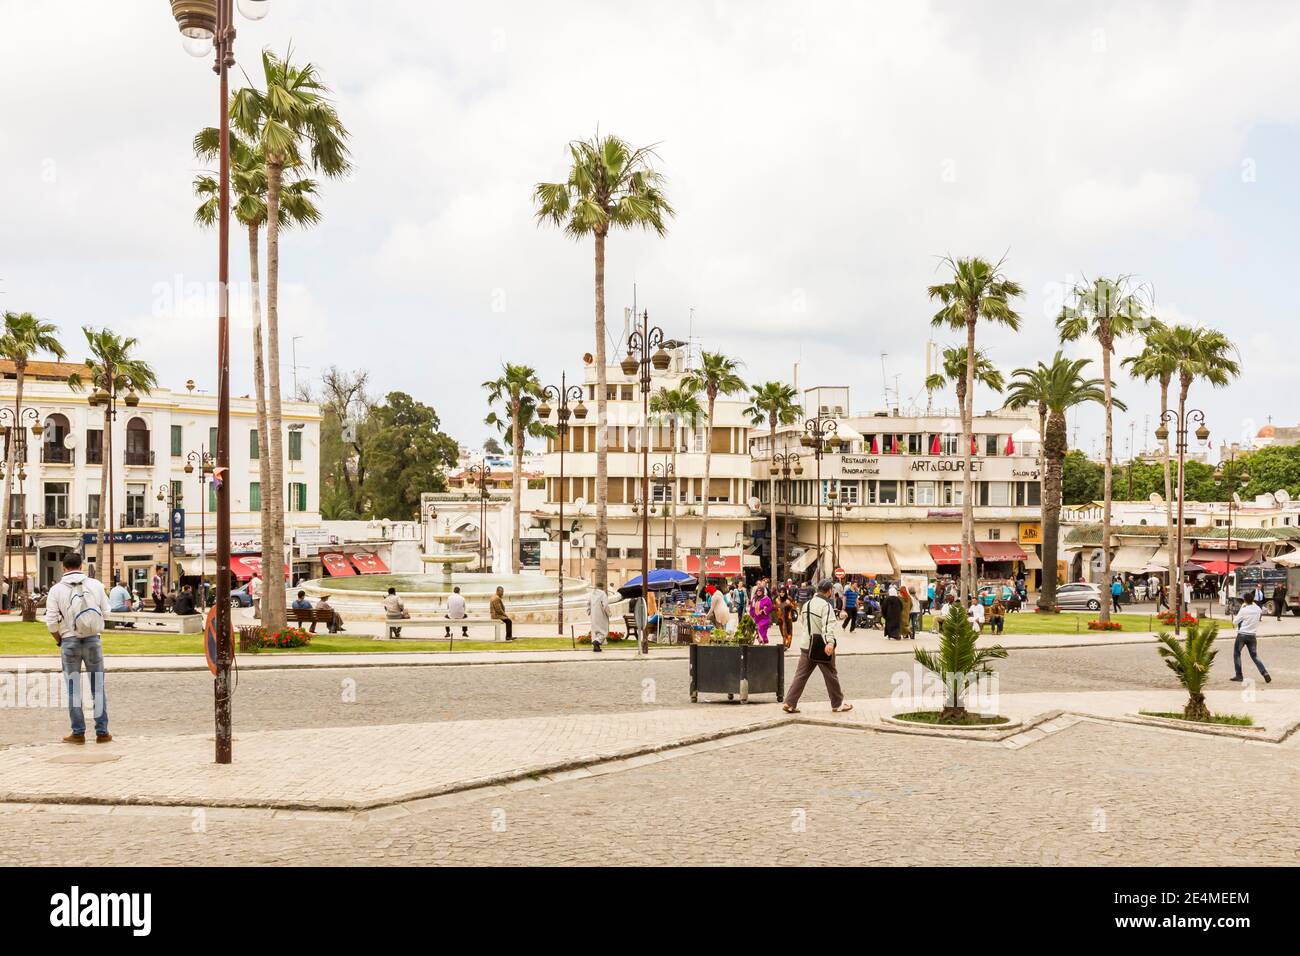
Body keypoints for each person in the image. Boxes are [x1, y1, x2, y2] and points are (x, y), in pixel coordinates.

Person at [45, 552, 111, 744]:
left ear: (63, 568)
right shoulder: (96, 585)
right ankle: (102, 732)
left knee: (73, 689)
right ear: (82, 566)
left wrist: (59, 639)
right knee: (97, 687)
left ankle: (78, 732)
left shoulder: (56, 590)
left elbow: (50, 623)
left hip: (69, 641)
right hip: (93, 640)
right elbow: (107, 614)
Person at [782, 580, 852, 714]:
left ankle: (790, 703)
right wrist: (830, 642)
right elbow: (828, 626)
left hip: (806, 644)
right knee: (831, 675)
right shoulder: (826, 606)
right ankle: (837, 704)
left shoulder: (807, 604)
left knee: (800, 675)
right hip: (821, 646)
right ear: (829, 591)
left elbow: (803, 623)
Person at [1229, 594, 1271, 684]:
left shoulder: (1244, 610)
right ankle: (1264, 672)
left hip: (1242, 634)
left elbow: (1235, 622)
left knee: (1237, 654)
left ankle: (1239, 675)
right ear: (1253, 600)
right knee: (1254, 656)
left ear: (1244, 600)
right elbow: (1262, 609)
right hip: (1252, 635)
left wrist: (1242, 607)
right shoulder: (1257, 609)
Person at [588, 585, 610, 652]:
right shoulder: (603, 594)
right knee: (603, 630)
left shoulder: (591, 594)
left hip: (593, 615)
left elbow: (588, 604)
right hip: (601, 614)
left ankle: (596, 647)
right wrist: (608, 613)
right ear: (602, 588)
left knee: (595, 630)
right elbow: (605, 605)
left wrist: (589, 612)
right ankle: (597, 642)